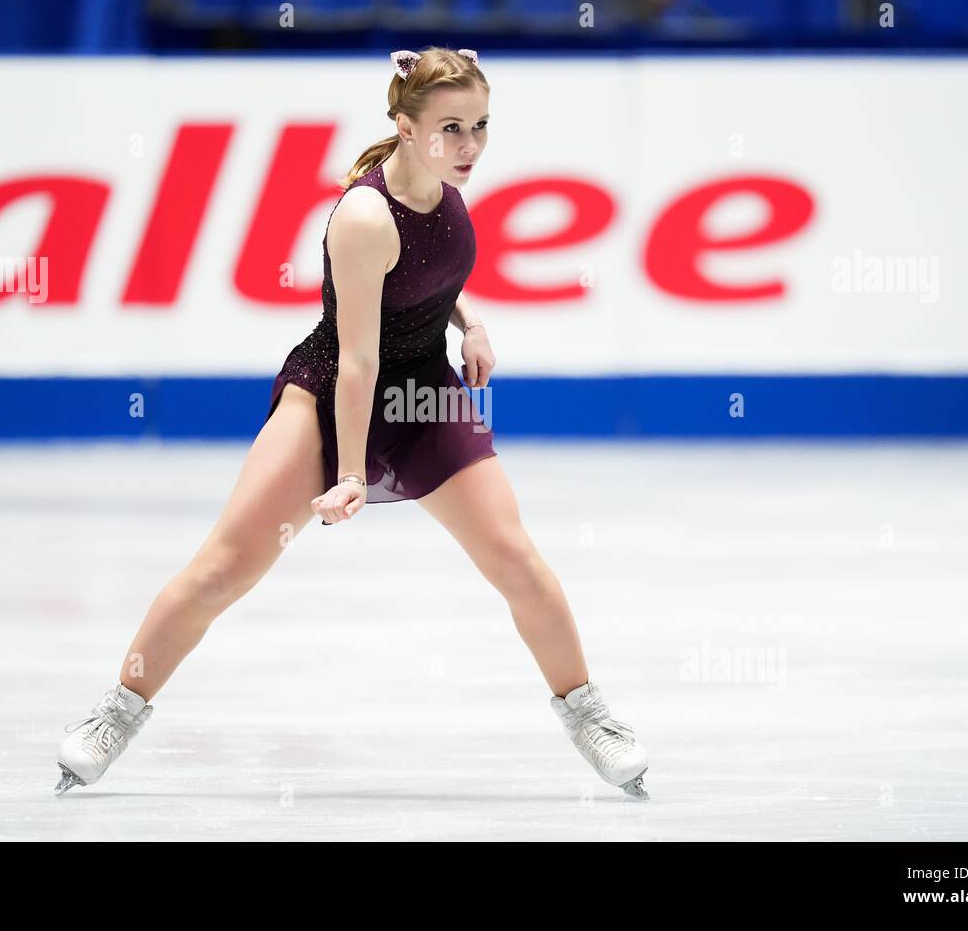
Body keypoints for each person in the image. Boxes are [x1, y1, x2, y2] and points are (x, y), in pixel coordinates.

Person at [55, 47, 650, 801]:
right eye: (450, 129)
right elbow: (360, 362)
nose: (470, 146)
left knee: (516, 559)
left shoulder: (446, 190)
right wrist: (346, 475)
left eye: (480, 126)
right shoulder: (366, 217)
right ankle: (116, 712)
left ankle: (588, 715)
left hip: (421, 394)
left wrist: (472, 322)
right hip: (336, 390)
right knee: (223, 569)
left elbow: (434, 283)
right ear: (404, 127)